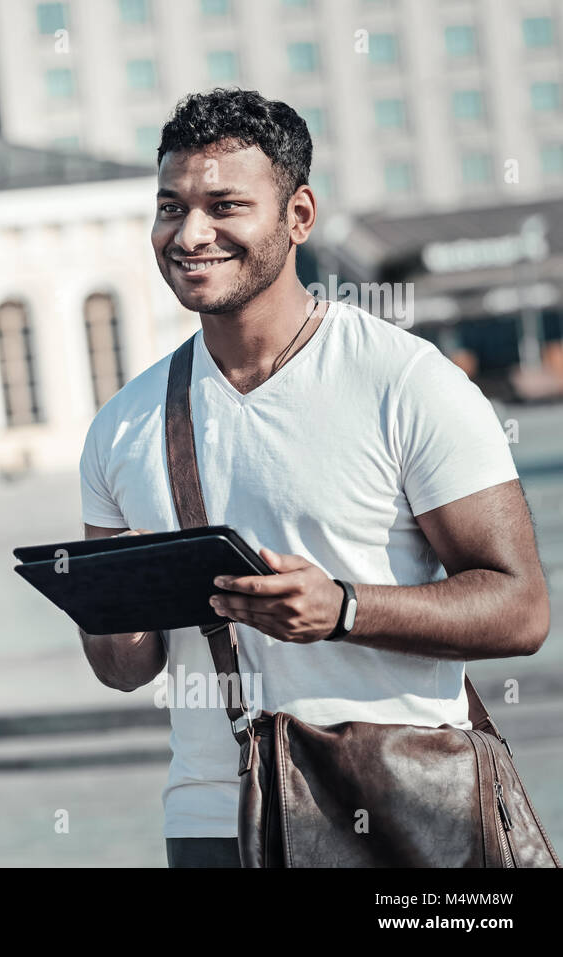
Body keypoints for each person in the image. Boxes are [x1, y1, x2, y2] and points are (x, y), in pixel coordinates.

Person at [76, 89, 549, 868]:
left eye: (224, 205)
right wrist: (109, 604)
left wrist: (345, 608)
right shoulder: (121, 426)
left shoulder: (405, 381)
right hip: (211, 815)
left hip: (395, 796)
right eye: (171, 207)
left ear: (299, 216)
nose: (190, 234)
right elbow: (125, 668)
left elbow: (521, 608)